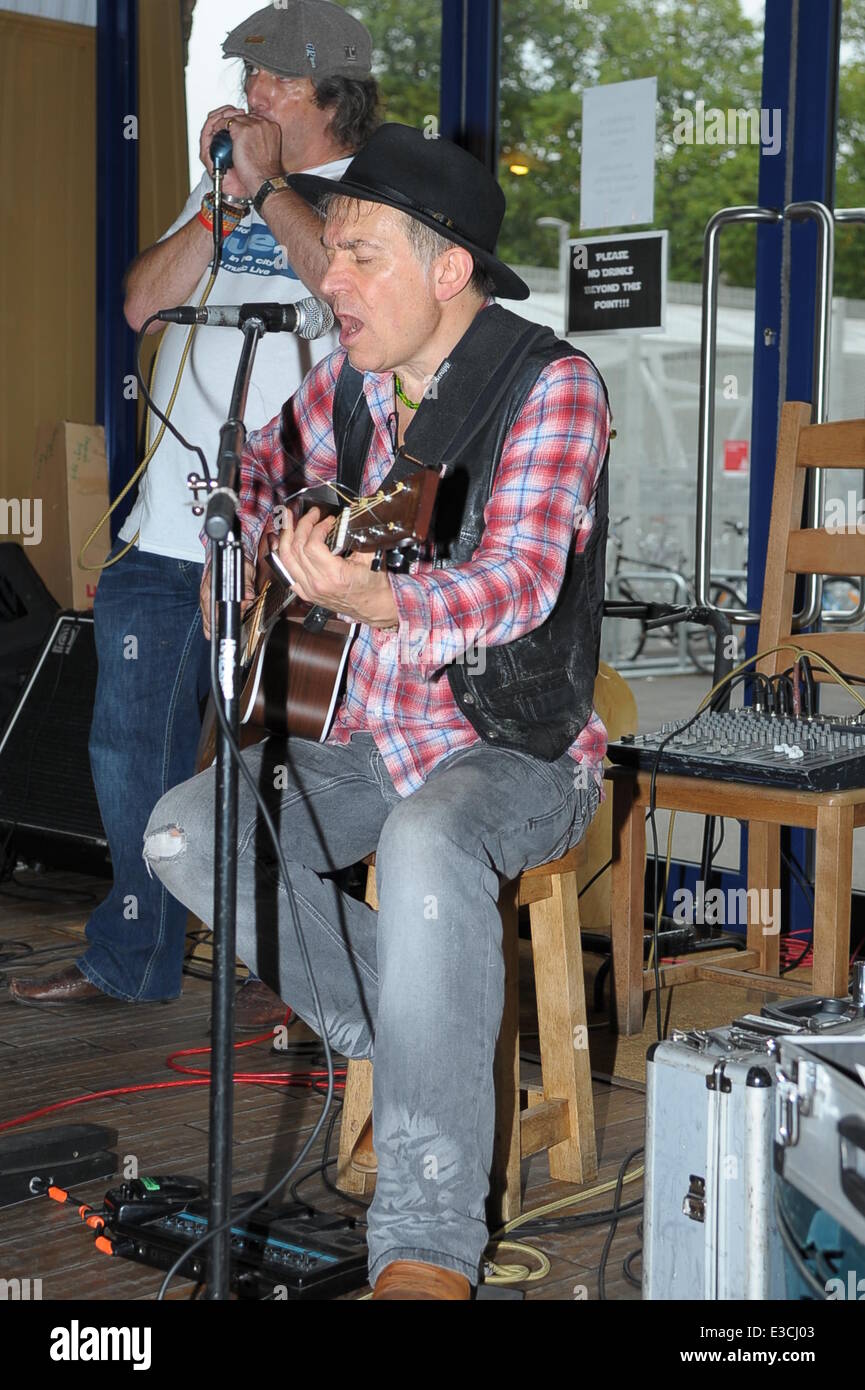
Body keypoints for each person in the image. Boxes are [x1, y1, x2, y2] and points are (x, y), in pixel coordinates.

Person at [143, 123, 611, 1298]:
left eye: (357, 255)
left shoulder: (548, 383)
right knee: (181, 834)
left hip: (512, 748)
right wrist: (241, 559)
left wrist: (382, 599)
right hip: (359, 739)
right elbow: (253, 472)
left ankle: (427, 1240)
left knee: (425, 838)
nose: (329, 279)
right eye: (332, 253)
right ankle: (415, 1040)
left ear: (446, 267)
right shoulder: (345, 385)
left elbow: (519, 581)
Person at [10, 2, 378, 1031]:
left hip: (295, 542)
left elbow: (340, 290)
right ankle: (132, 954)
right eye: (249, 78)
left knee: (297, 767)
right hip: (170, 531)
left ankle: (304, 978)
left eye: (270, 82)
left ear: (325, 97)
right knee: (128, 749)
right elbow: (138, 304)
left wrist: (269, 191)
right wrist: (223, 203)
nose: (248, 97)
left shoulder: (370, 198)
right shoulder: (221, 190)